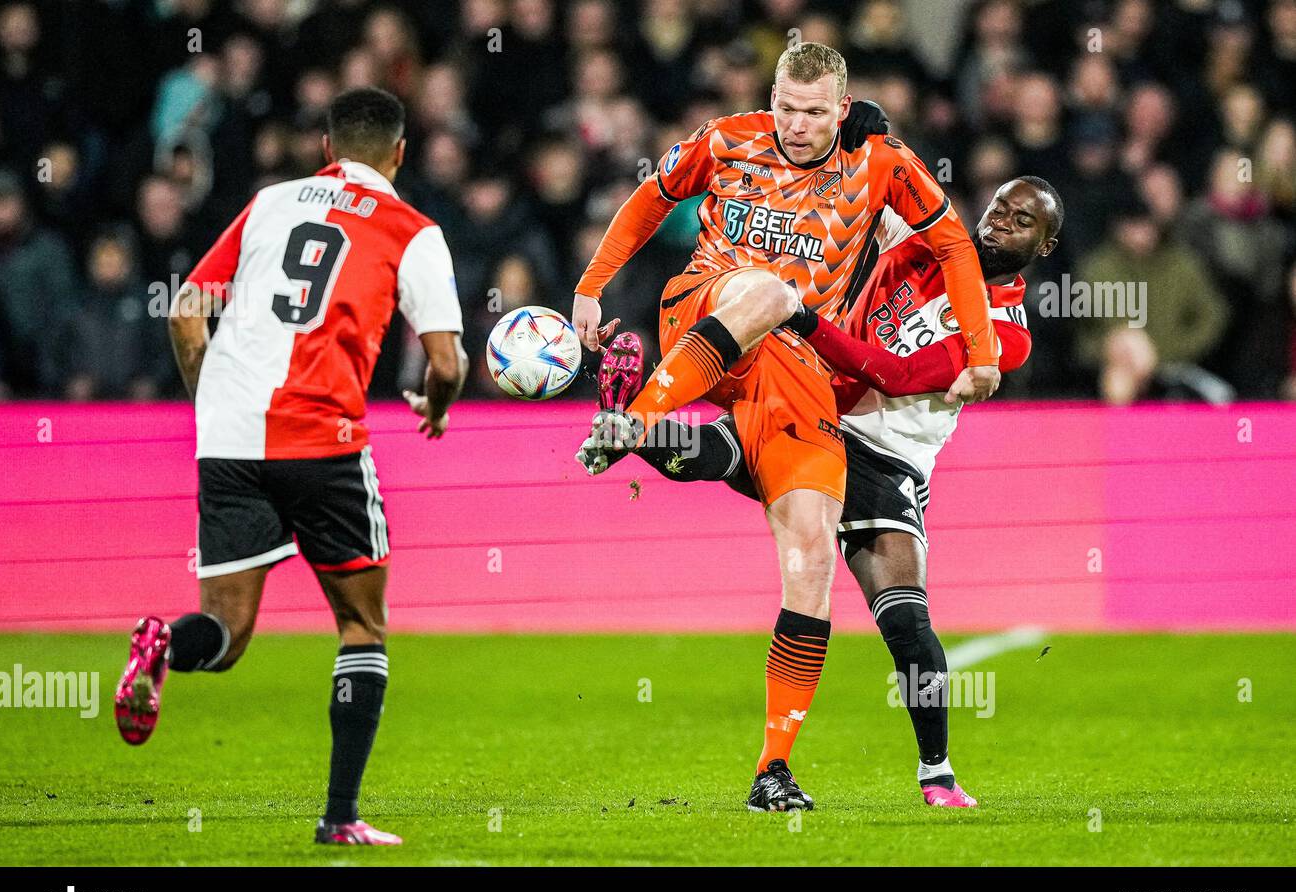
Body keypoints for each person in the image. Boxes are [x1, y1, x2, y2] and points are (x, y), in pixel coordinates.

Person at [571, 42, 999, 812]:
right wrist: (592, 287)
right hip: (709, 303)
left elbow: (952, 242)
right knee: (768, 288)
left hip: (795, 364)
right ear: (770, 98)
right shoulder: (727, 138)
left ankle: (773, 771)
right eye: (785, 108)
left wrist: (981, 348)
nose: (795, 126)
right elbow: (649, 201)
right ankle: (635, 417)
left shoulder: (881, 162)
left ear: (841, 109)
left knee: (811, 558)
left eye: (811, 113)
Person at [622, 177, 1063, 808]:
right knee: (724, 449)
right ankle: (631, 427)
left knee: (908, 624)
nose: (998, 223)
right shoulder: (921, 245)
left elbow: (896, 373)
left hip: (890, 464)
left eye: (1021, 221)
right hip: (818, 413)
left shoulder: (1003, 337)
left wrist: (800, 317)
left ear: (1044, 246)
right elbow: (865, 192)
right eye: (997, 207)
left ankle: (936, 773)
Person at [112, 87, 468, 847]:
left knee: (227, 633)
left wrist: (211, 405)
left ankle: (165, 643)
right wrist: (437, 406)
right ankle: (340, 817)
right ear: (399, 154)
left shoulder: (269, 203)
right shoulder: (414, 230)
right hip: (323, 438)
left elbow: (184, 311)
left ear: (325, 149)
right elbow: (445, 359)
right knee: (361, 624)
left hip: (231, 438)